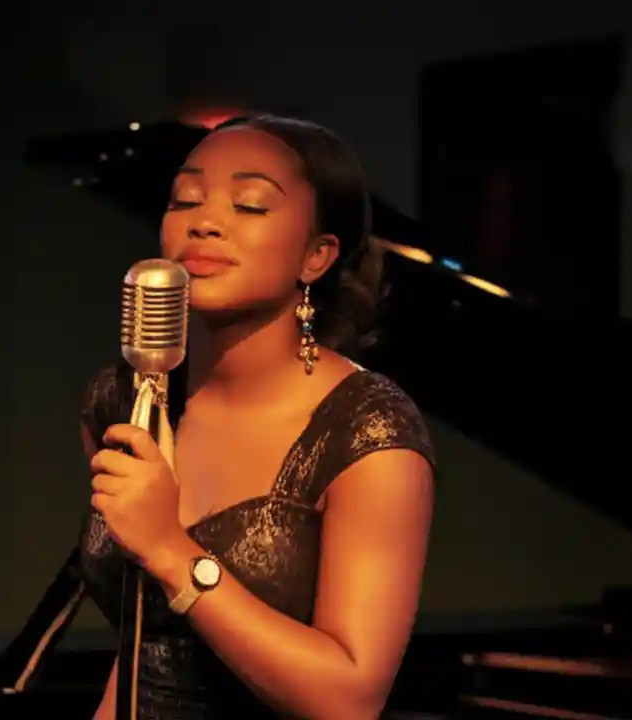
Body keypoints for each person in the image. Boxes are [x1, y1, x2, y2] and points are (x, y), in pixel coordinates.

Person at [78, 114, 435, 719]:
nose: (205, 222)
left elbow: (349, 700)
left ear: (316, 256)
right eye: (184, 199)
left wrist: (171, 550)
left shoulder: (368, 433)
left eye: (249, 206)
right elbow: (138, 648)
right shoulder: (124, 400)